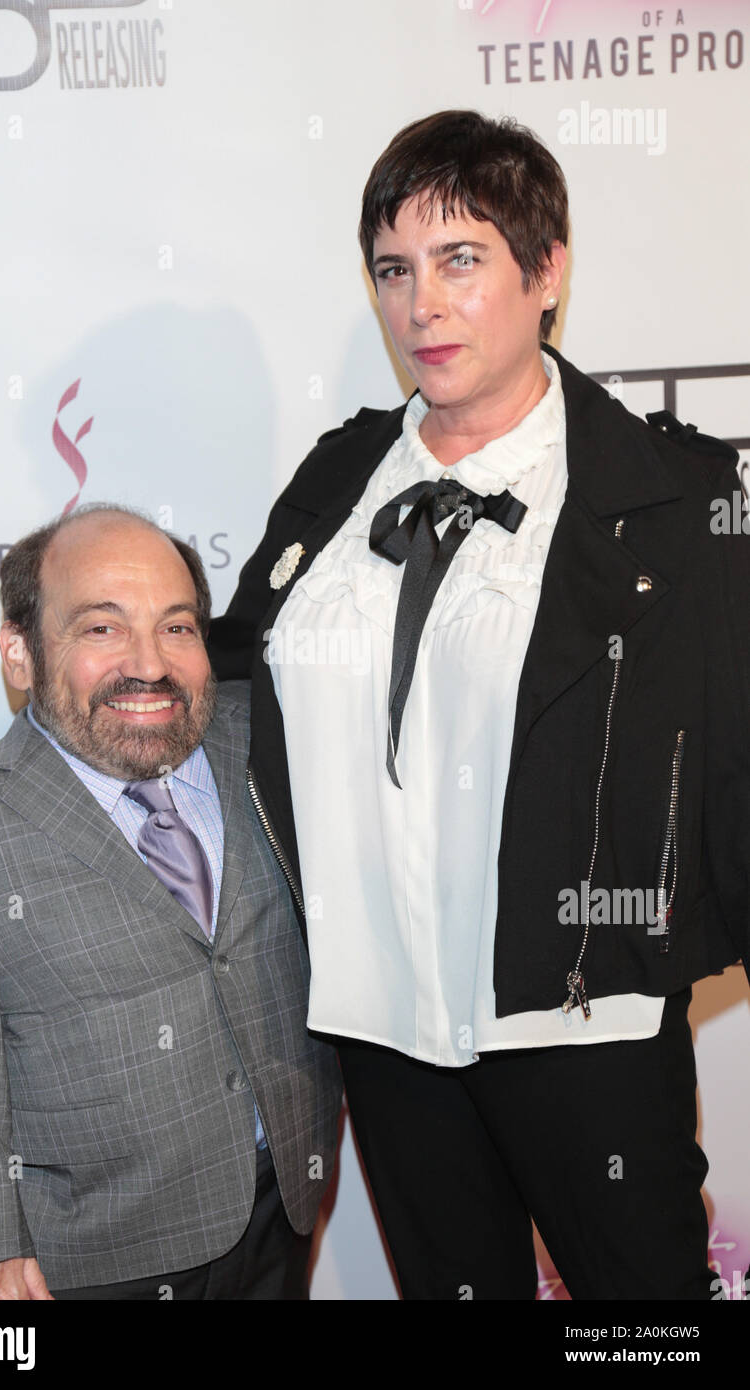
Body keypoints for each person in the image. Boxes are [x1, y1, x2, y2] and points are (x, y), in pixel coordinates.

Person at [209, 110, 750, 1300]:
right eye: (394, 270)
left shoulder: (672, 499)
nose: (421, 307)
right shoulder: (339, 475)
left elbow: (730, 759)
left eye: (460, 260)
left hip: (578, 1019)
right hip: (381, 1021)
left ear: (544, 271)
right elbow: (238, 680)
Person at [0, 503, 341, 1300]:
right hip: (93, 1261)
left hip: (283, 1206)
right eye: (101, 629)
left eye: (177, 628)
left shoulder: (267, 739)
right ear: (20, 654)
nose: (150, 665)